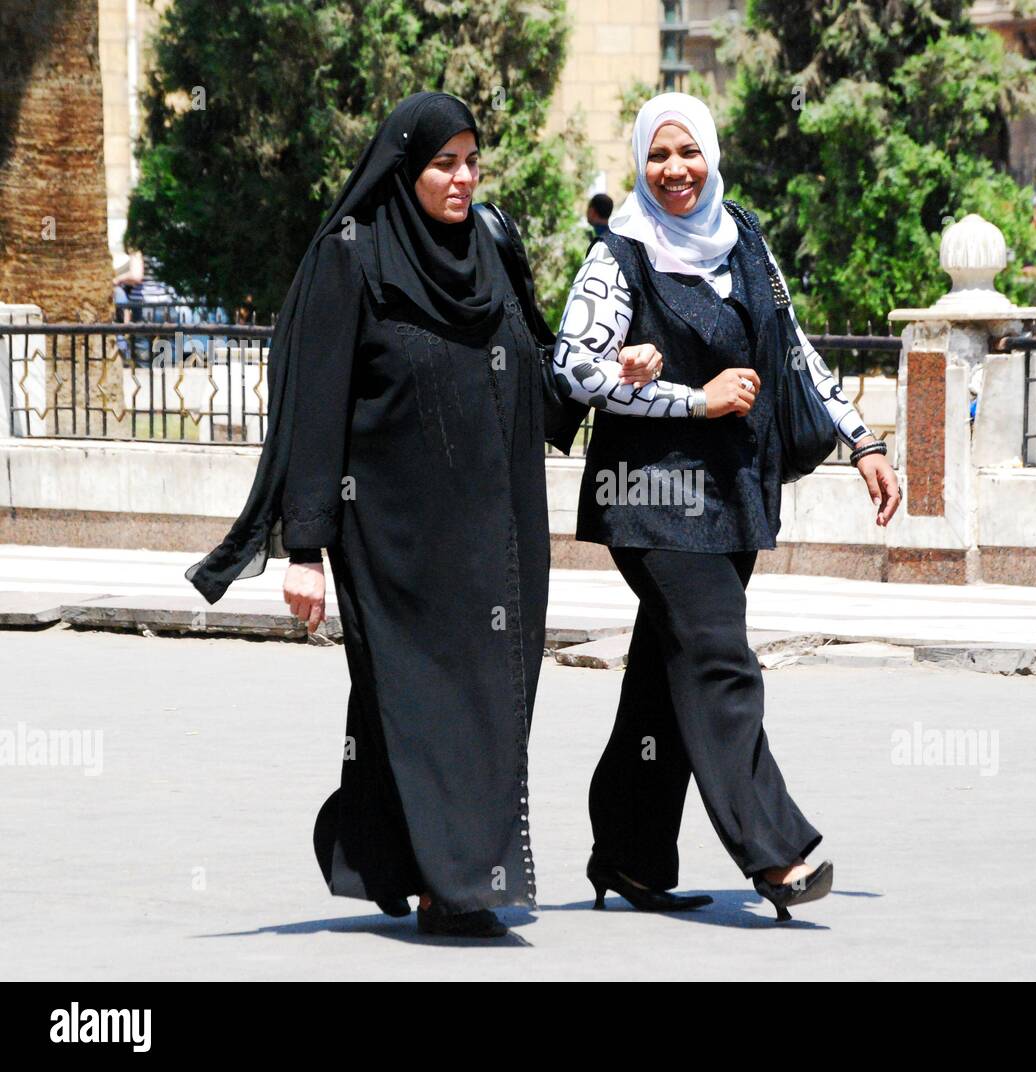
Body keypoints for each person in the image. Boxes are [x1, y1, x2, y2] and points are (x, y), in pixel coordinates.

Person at [184, 91, 651, 938]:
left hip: (501, 531)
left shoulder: (494, 242)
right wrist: (305, 547)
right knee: (431, 699)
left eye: (473, 160)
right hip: (395, 534)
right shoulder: (350, 258)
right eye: (444, 163)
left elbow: (539, 370)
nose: (463, 178)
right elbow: (318, 408)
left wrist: (609, 374)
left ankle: (377, 845)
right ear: (404, 168)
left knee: (481, 699)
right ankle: (458, 886)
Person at [552, 92, 901, 922]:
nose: (675, 171)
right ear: (640, 161)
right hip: (650, 494)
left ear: (711, 155)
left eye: (689, 153)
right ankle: (775, 850)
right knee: (718, 656)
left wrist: (863, 440)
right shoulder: (619, 253)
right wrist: (686, 398)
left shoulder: (743, 235)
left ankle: (629, 857)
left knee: (666, 676)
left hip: (731, 491)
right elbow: (571, 367)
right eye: (659, 156)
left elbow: (793, 347)